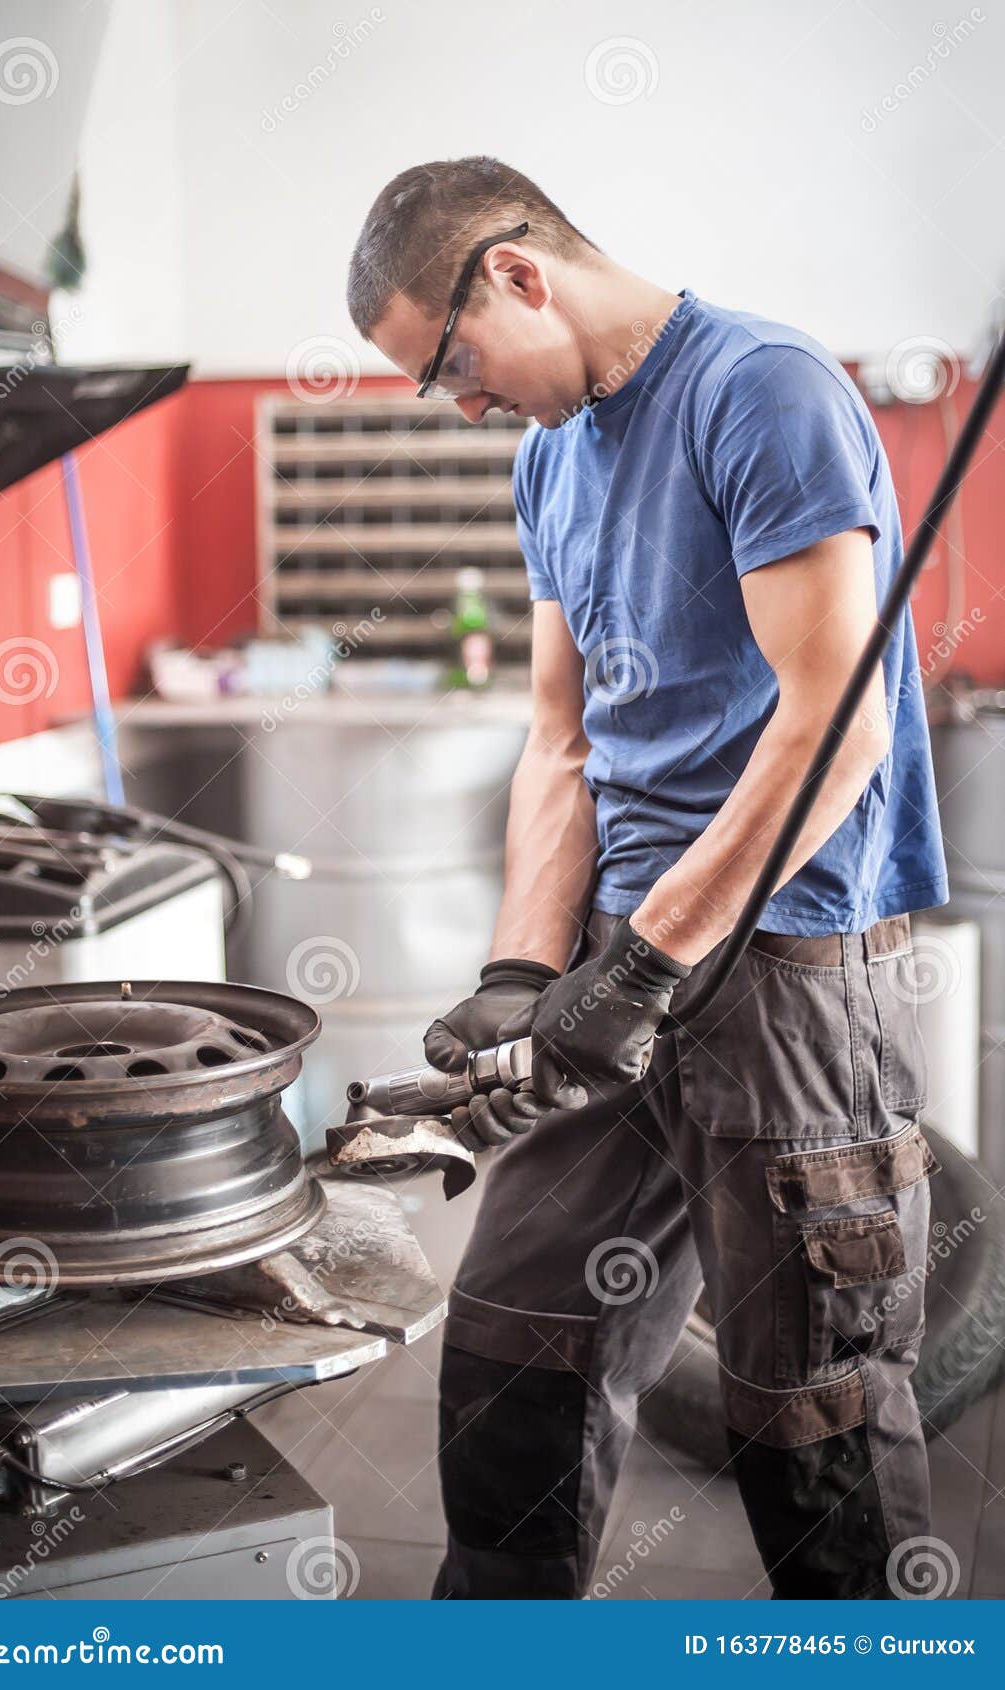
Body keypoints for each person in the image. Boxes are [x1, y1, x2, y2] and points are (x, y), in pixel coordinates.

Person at [346, 157, 947, 1600]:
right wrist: (518, 970)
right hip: (617, 968)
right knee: (510, 1329)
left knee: (811, 1412)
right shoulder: (549, 456)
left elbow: (832, 722)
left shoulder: (762, 390)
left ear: (516, 274)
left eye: (452, 365)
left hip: (786, 966)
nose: (466, 404)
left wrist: (645, 965)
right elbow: (558, 740)